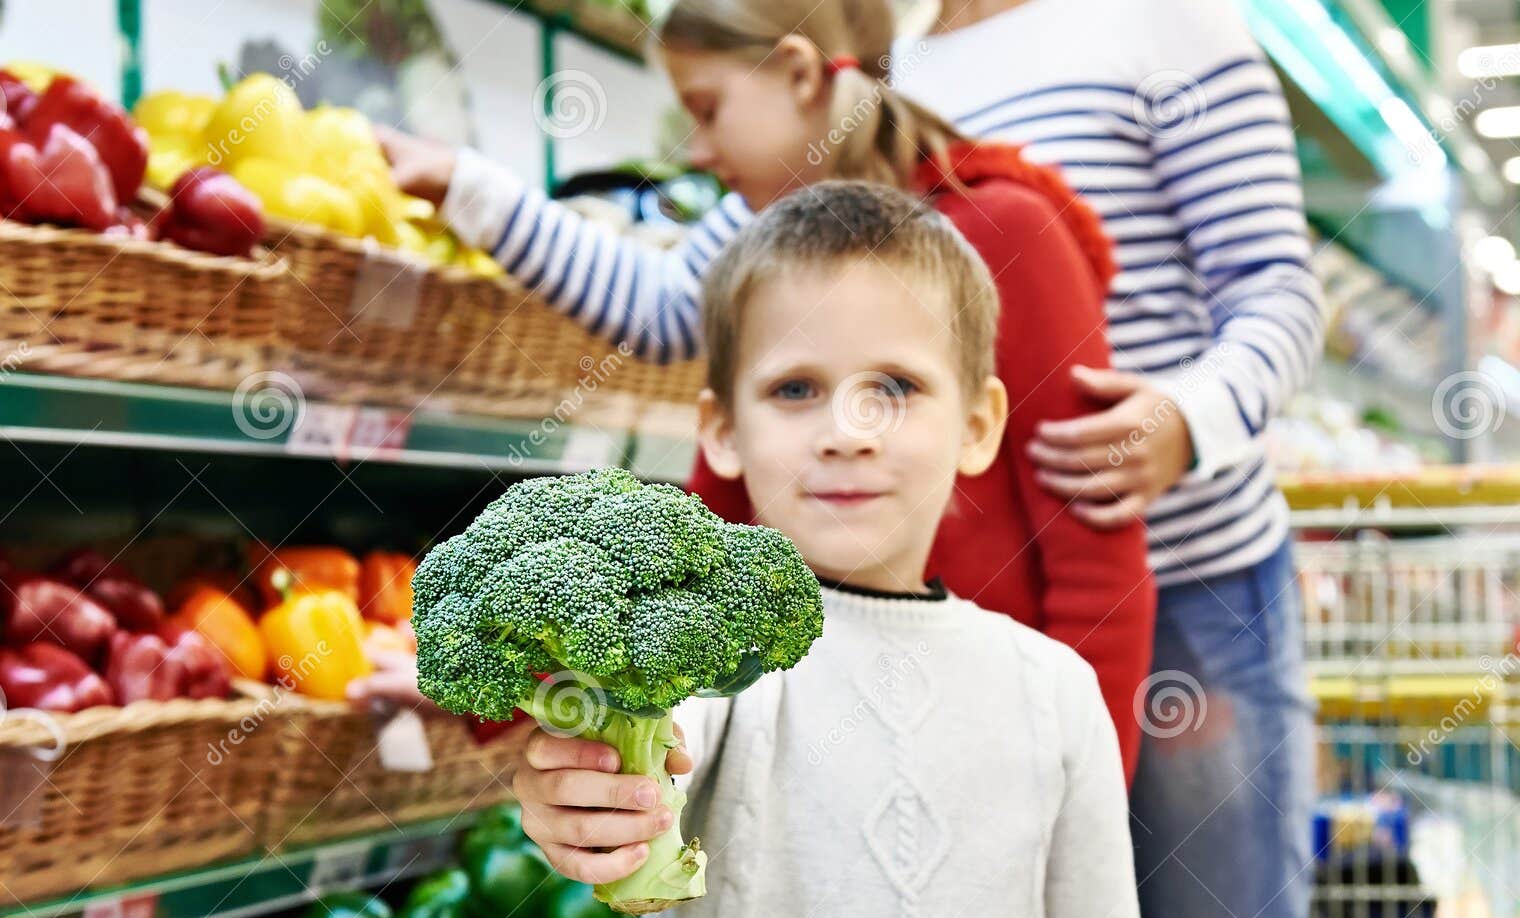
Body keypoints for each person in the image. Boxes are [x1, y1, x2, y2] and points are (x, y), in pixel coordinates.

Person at [384, 0, 1320, 918]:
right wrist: (558, 735)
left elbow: (1278, 293)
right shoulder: (835, 143)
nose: (844, 427)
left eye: (703, 109)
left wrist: (1191, 419)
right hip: (862, 630)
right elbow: (664, 314)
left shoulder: (1154, 50)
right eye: (793, 388)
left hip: (1172, 575)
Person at [378, 0, 1155, 780]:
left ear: (797, 71)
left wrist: (1078, 784)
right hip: (823, 764)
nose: (702, 150)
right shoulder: (757, 248)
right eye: (792, 390)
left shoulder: (1005, 229)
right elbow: (700, 556)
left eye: (709, 111)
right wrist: (502, 679)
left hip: (986, 752)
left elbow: (1095, 554)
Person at [515, 180, 1157, 918]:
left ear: (977, 425)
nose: (846, 431)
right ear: (723, 430)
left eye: (893, 386)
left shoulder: (1055, 691)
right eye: (795, 388)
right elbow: (647, 769)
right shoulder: (705, 667)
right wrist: (586, 804)